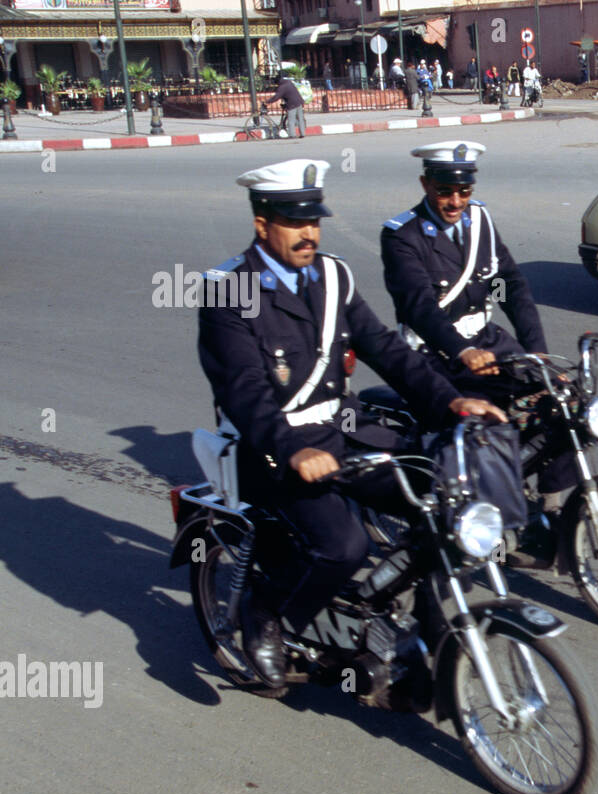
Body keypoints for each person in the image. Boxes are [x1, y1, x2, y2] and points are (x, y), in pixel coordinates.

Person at [198, 158, 503, 688]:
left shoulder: (334, 275)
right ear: (261, 224)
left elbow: (387, 350)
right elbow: (242, 390)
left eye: (313, 220)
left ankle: (425, 638)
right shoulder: (229, 290)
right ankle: (267, 615)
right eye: (293, 222)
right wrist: (291, 449)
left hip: (342, 429)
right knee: (344, 547)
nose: (308, 233)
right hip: (272, 447)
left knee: (437, 500)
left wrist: (452, 401)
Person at [379, 142, 574, 557]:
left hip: (486, 338)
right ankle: (494, 512)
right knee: (485, 421)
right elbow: (420, 308)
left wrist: (535, 350)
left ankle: (552, 507)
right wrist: (459, 351)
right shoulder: (402, 236)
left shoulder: (481, 219)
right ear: (425, 184)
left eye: (463, 192)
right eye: (445, 191)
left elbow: (513, 285)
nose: (455, 202)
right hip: (434, 352)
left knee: (562, 395)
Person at [265, 72, 306, 139]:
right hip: (299, 102)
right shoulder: (289, 82)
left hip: (292, 104)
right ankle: (302, 134)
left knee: (291, 120)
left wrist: (267, 102)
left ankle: (292, 135)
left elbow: (276, 97)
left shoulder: (282, 87)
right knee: (300, 119)